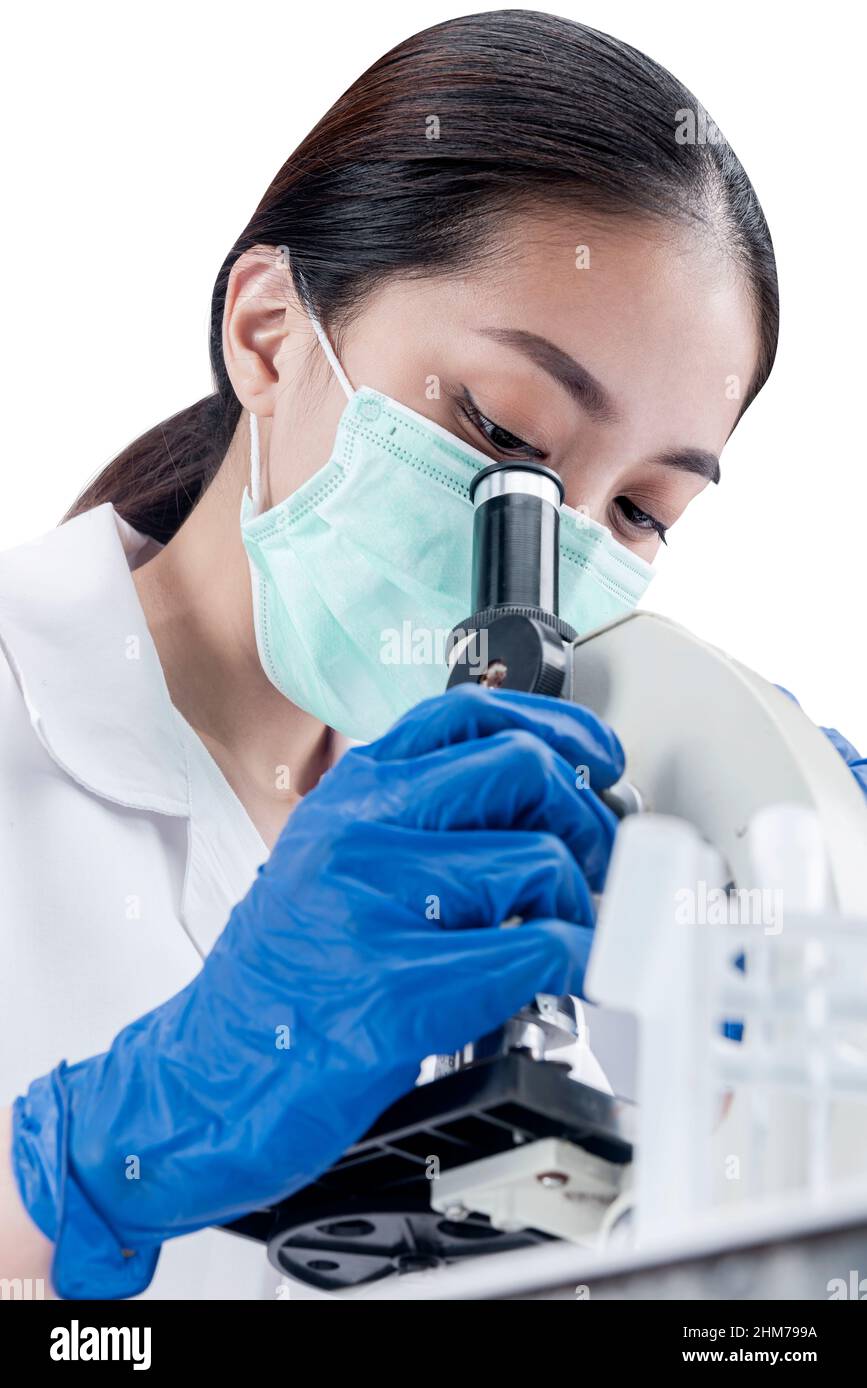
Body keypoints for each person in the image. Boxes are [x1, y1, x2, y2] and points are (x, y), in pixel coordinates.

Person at [1, 11, 860, 1300]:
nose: (563, 551)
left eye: (642, 512)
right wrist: (100, 1154)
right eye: (505, 431)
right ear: (271, 331)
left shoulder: (600, 864)